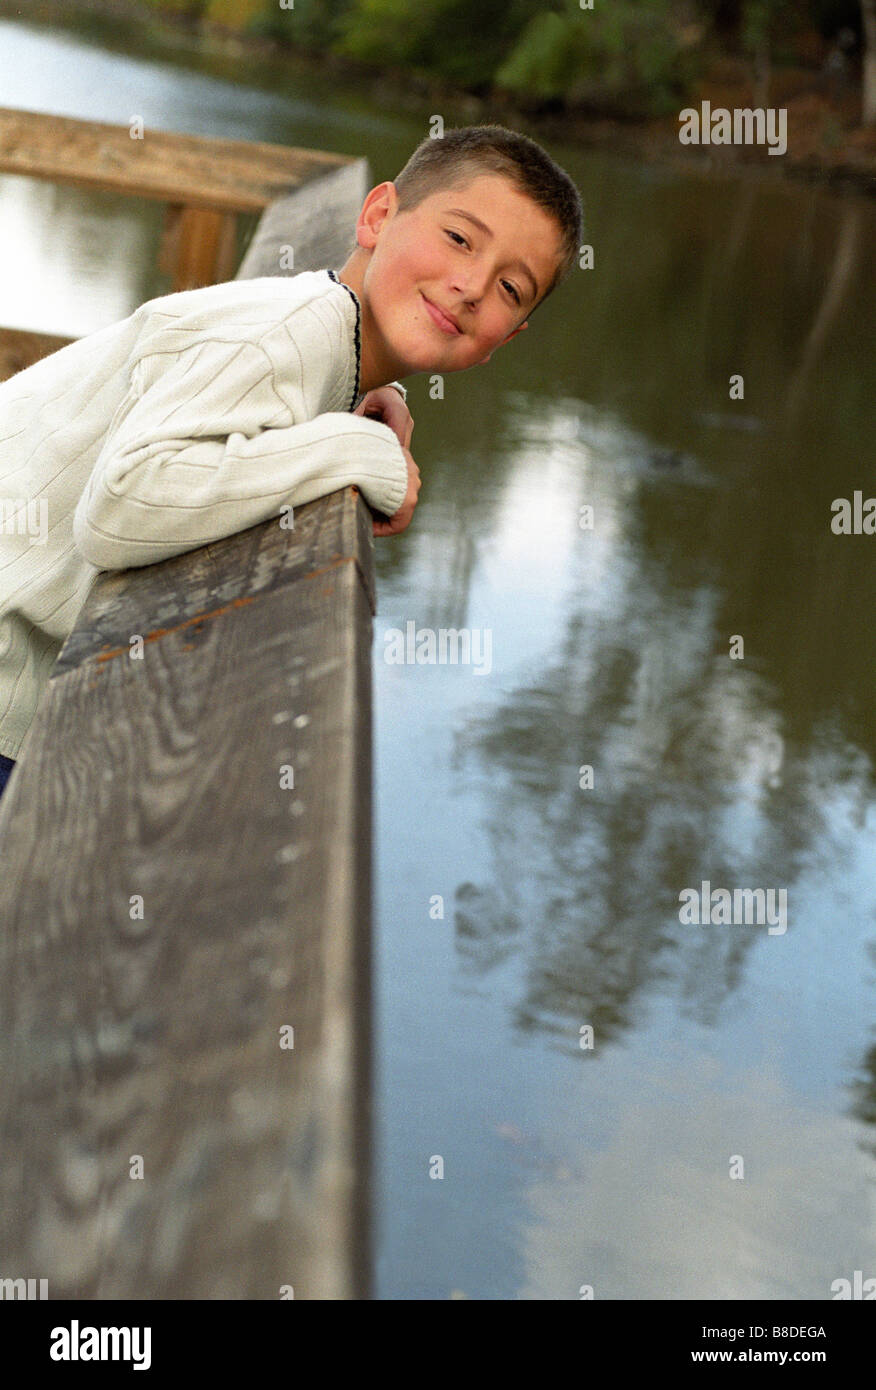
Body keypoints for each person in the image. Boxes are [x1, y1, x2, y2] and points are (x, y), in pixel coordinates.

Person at [0, 123, 582, 798]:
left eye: (512, 288)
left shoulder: (322, 331)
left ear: (508, 338)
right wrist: (354, 447)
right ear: (378, 215)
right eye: (458, 238)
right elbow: (123, 503)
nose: (473, 285)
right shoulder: (295, 330)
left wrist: (363, 398)